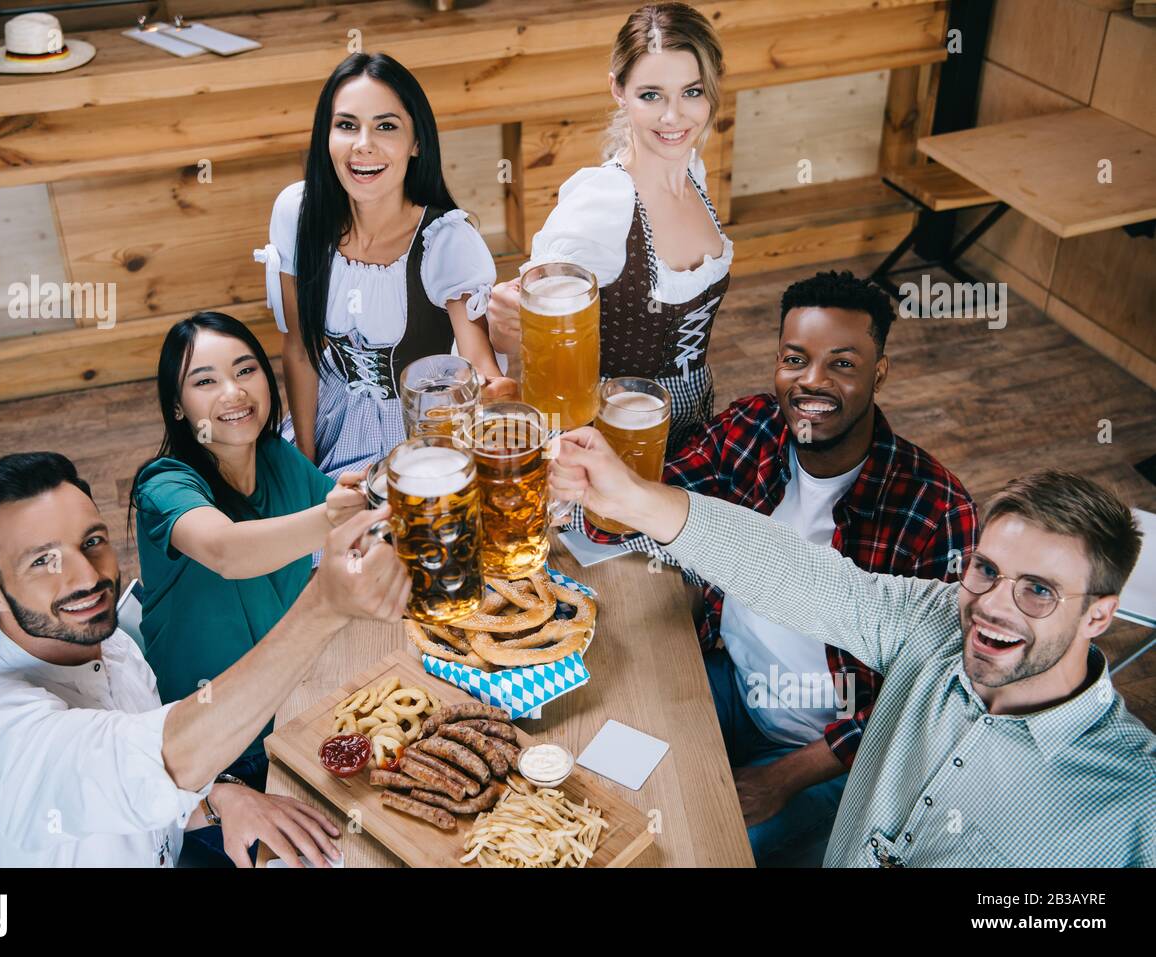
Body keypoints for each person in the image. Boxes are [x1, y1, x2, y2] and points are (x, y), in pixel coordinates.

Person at [552, 436, 1155, 866]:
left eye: (1038, 592)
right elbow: (800, 575)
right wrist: (632, 498)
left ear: (1099, 614)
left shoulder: (1134, 800)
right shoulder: (936, 620)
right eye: (987, 570)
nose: (994, 605)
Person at [579, 270, 977, 865]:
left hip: (831, 753)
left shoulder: (938, 509)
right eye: (796, 358)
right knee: (598, 770)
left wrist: (784, 779)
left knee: (697, 851)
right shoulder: (754, 427)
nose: (811, 381)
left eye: (841, 364)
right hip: (737, 682)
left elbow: (927, 707)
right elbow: (640, 507)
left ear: (880, 373)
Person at [0, 452, 411, 867]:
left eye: (92, 542)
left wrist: (220, 797)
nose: (85, 576)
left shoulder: (114, 646)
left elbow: (141, 780)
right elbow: (154, 760)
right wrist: (323, 606)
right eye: (42, 562)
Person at [130, 312, 366, 794]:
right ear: (177, 407)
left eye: (245, 370)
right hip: (208, 755)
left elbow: (350, 525)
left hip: (293, 714)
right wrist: (334, 516)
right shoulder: (163, 485)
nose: (233, 392)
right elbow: (226, 551)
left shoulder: (278, 458)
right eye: (205, 381)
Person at [485, 2, 731, 450]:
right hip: (614, 439)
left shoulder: (693, 170)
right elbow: (525, 330)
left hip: (691, 427)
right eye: (651, 95)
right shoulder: (605, 201)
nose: (674, 117)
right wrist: (504, 318)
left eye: (692, 92)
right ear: (619, 90)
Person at [256, 51, 513, 478]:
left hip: (420, 431)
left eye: (386, 126)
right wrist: (304, 459)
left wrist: (497, 392)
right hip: (327, 414)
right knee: (290, 531)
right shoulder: (298, 213)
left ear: (416, 143)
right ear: (326, 136)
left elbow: (480, 367)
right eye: (347, 125)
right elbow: (299, 349)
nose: (363, 145)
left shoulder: (445, 241)